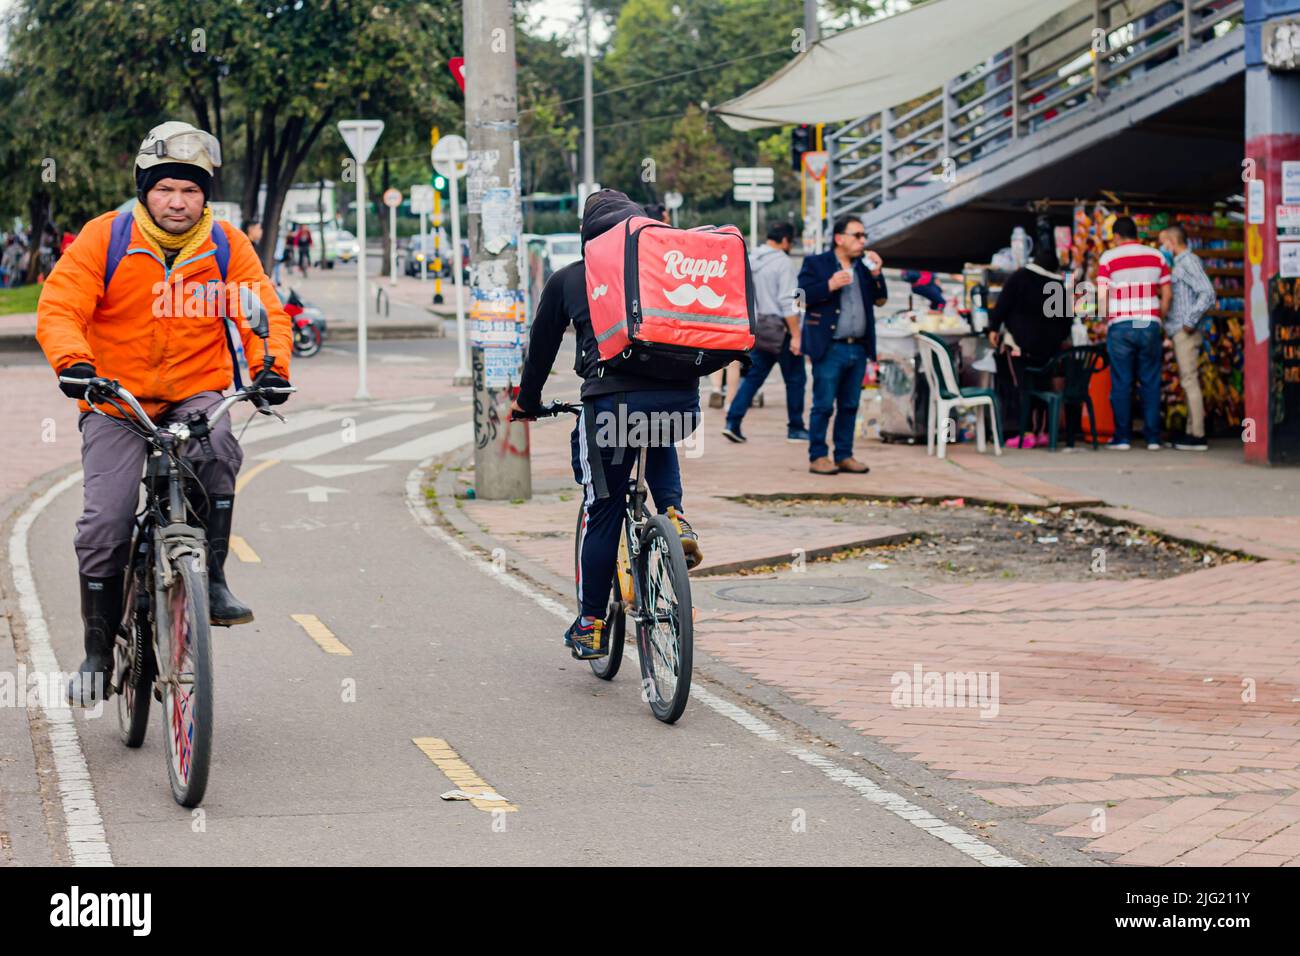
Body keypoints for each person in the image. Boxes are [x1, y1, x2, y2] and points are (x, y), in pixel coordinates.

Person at [35, 120, 293, 705]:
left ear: (205, 194)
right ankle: (99, 650)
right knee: (105, 521)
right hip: (114, 396)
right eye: (165, 189)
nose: (178, 202)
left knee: (220, 450)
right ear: (145, 189)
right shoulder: (106, 238)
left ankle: (215, 581)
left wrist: (272, 368)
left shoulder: (225, 246)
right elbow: (59, 307)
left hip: (197, 389)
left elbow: (265, 313)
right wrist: (75, 363)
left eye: (191, 190)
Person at [510, 189, 701, 662]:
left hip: (610, 408)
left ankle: (592, 624)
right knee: (656, 430)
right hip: (679, 400)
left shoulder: (570, 280)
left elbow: (541, 352)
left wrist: (527, 403)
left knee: (604, 508)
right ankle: (674, 515)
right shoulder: (658, 272)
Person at [797, 215, 887, 475]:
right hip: (829, 347)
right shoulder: (817, 263)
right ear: (839, 238)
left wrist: (877, 273)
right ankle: (818, 455)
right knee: (823, 405)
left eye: (863, 236)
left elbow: (880, 300)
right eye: (857, 235)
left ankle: (844, 455)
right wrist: (829, 285)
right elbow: (799, 298)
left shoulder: (863, 267)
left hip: (857, 347)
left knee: (850, 405)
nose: (863, 241)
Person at [722, 220, 808, 443]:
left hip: (759, 327)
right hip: (782, 327)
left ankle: (733, 420)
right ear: (786, 240)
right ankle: (796, 427)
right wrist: (796, 334)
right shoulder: (783, 263)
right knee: (796, 379)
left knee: (754, 377)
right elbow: (788, 301)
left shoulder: (751, 259)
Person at [1097, 216, 1171, 451]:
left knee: (1122, 382)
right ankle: (1152, 438)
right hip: (1146, 322)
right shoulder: (1156, 256)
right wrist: (1160, 318)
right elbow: (1167, 293)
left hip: (1122, 324)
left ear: (1117, 236)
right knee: (1150, 380)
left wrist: (1103, 319)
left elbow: (1102, 296)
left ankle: (1123, 437)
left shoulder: (1109, 257)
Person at [988, 244, 1073, 448]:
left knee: (1020, 388)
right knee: (1042, 387)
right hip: (1048, 351)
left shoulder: (1020, 277)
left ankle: (1023, 432)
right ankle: (1040, 432)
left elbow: (1002, 305)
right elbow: (1066, 322)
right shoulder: (1058, 287)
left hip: (1020, 346)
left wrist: (992, 328)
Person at [1158, 224, 1214, 451]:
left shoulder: (1188, 262)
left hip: (1185, 332)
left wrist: (1189, 322)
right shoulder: (1180, 263)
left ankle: (1198, 434)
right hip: (1179, 330)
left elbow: (1208, 293)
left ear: (1172, 241)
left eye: (1163, 242)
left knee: (1190, 381)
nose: (1162, 247)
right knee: (1188, 380)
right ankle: (1192, 431)